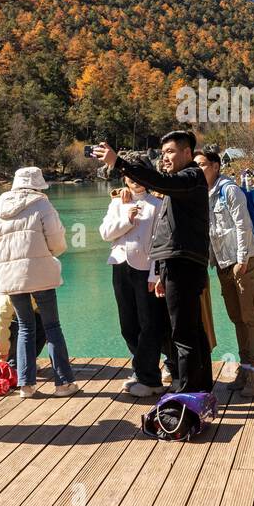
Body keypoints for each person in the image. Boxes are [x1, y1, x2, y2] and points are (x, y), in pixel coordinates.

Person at [90, 132, 213, 394]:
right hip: (171, 264)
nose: (165, 157)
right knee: (186, 330)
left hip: (182, 264)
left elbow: (158, 182)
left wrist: (117, 161)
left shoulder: (189, 178)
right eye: (163, 152)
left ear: (187, 152)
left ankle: (186, 392)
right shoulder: (170, 188)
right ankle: (196, 387)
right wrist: (161, 272)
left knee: (182, 333)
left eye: (170, 151)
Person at [0, 167, 77, 398]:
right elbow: (57, 242)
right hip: (40, 273)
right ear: (37, 184)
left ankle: (26, 385)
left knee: (26, 326)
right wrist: (46, 253)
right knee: (52, 327)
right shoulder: (42, 204)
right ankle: (63, 384)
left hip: (10, 276)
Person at [196, 150, 254, 398]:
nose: (199, 170)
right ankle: (246, 367)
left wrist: (242, 260)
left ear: (216, 166)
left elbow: (243, 226)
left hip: (244, 262)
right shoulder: (205, 194)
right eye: (195, 166)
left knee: (250, 315)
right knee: (236, 317)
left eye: (203, 165)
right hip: (223, 263)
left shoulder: (229, 190)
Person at [99, 172, 166, 397]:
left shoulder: (157, 204)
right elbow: (106, 233)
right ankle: (143, 372)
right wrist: (126, 219)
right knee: (127, 324)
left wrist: (155, 275)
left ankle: (149, 378)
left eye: (138, 175)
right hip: (120, 265)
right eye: (129, 176)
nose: (134, 180)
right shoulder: (117, 202)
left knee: (149, 323)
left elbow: (160, 242)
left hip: (144, 268)